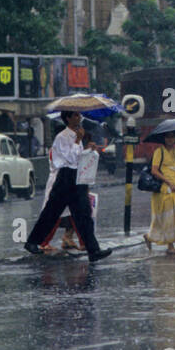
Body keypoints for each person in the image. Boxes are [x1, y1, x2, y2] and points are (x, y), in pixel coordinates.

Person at [24, 111, 112, 262]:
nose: (79, 118)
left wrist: (88, 148)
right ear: (68, 118)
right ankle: (33, 242)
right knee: (51, 212)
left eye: (79, 115)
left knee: (84, 214)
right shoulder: (62, 137)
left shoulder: (78, 135)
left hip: (78, 178)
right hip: (65, 177)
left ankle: (93, 250)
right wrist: (78, 141)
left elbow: (79, 158)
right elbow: (68, 158)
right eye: (76, 116)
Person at [144, 131, 175, 252]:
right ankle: (170, 245)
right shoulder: (159, 152)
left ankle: (149, 236)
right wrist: (168, 182)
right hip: (164, 189)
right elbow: (154, 171)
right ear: (164, 138)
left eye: (172, 136)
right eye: (168, 137)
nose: (170, 139)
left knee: (171, 218)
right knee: (168, 218)